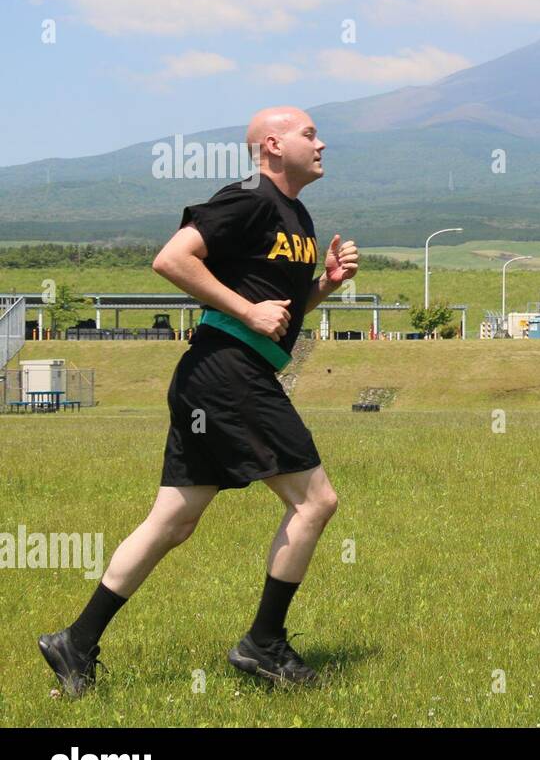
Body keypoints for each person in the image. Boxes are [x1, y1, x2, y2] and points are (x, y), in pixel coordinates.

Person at [38, 106, 359, 694]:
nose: (322, 144)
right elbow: (172, 259)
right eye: (310, 134)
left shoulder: (296, 215)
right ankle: (263, 644)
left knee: (174, 520)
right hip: (230, 374)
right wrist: (246, 310)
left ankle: (74, 643)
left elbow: (276, 315)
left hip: (217, 376)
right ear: (271, 144)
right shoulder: (249, 198)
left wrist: (323, 288)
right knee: (316, 502)